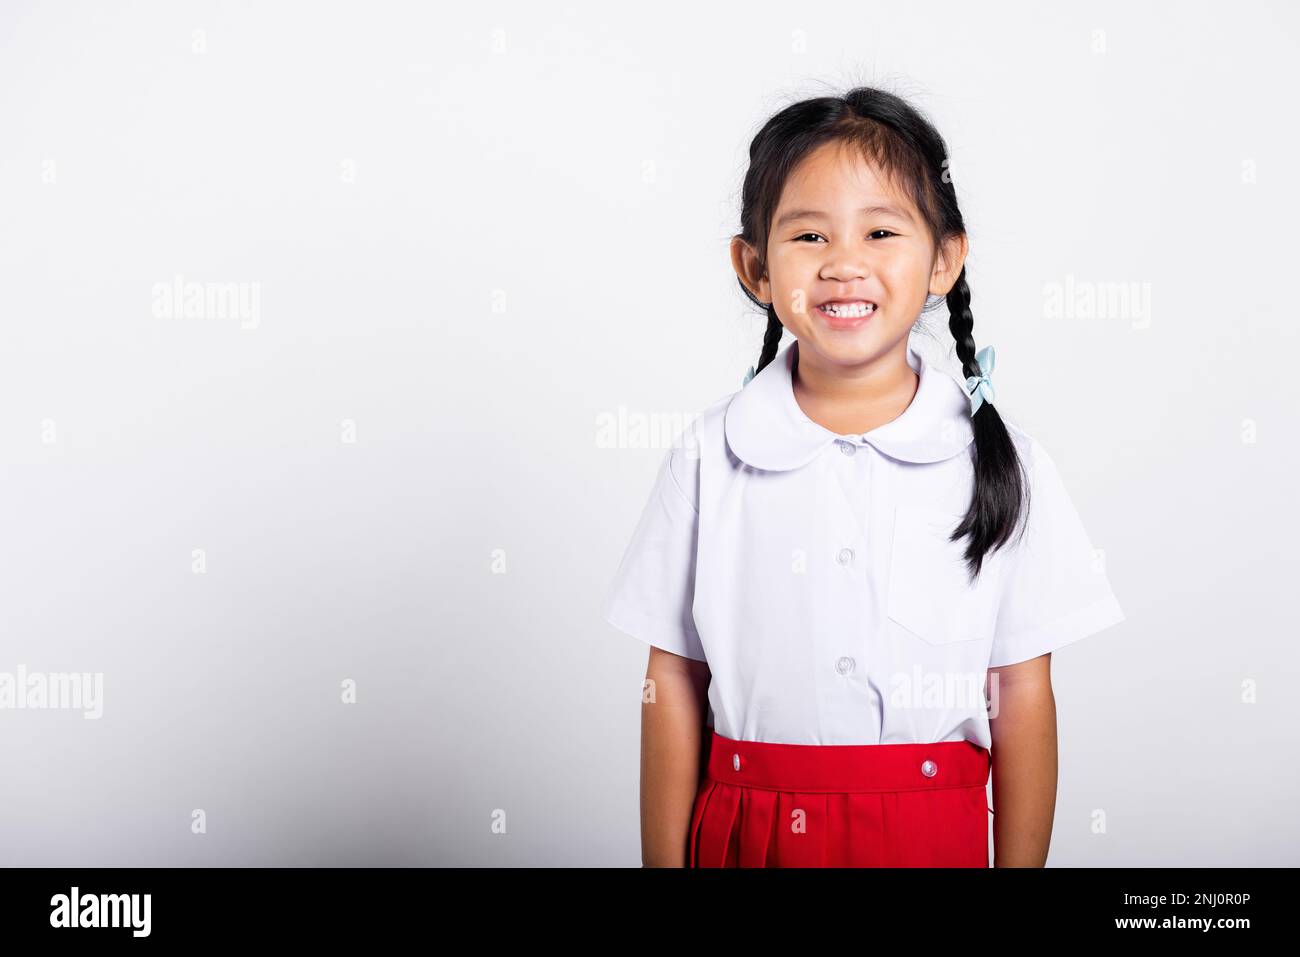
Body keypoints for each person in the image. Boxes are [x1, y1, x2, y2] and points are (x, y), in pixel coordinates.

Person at [601, 86, 1126, 868]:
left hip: (931, 835)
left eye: (881, 230)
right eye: (809, 235)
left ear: (944, 258)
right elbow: (673, 678)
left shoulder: (1003, 461)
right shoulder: (708, 455)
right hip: (748, 831)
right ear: (755, 267)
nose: (845, 263)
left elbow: (1021, 694)